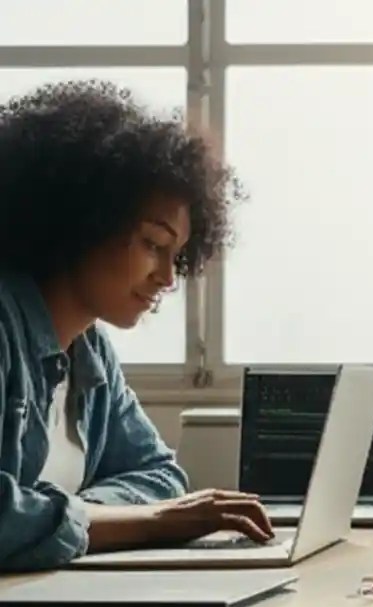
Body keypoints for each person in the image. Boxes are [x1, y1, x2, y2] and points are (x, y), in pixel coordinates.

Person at [0, 80, 273, 572]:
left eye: (177, 255)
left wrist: (85, 518)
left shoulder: (90, 350)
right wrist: (143, 523)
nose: (168, 277)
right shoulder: (4, 327)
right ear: (83, 219)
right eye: (152, 244)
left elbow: (158, 474)